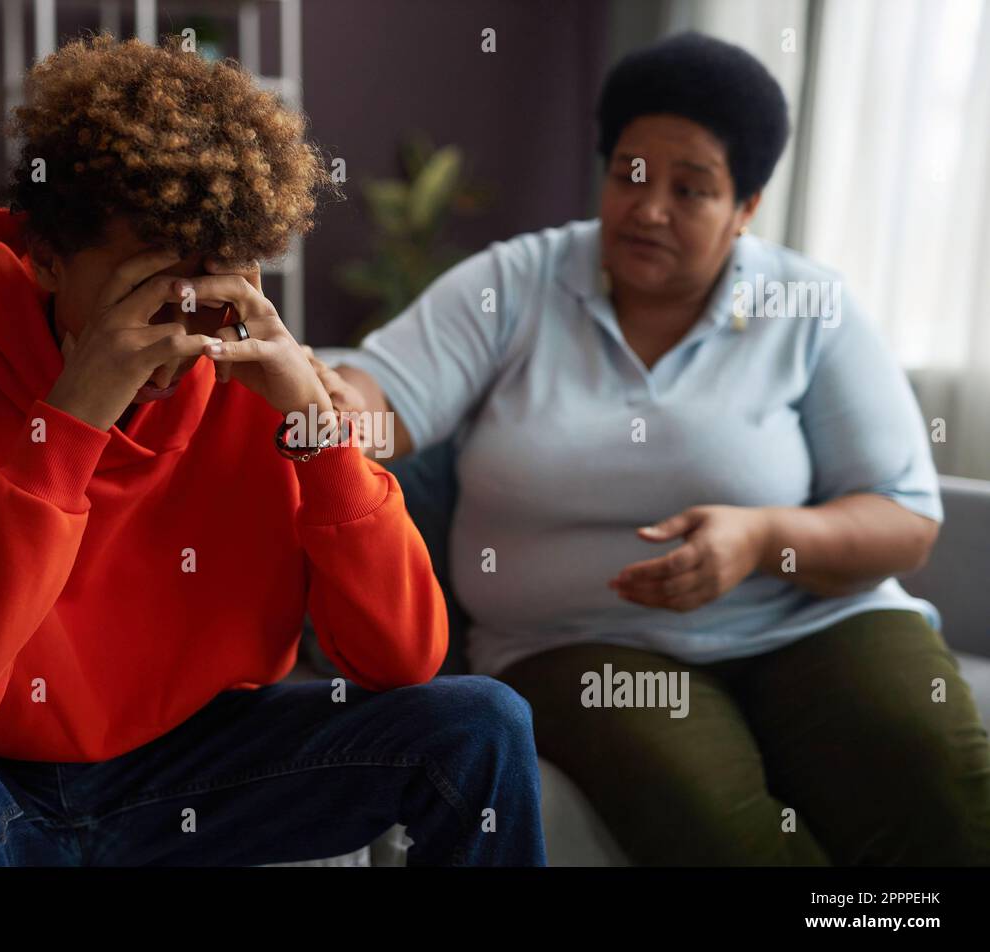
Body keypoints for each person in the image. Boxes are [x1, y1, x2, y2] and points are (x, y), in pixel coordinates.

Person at [0, 34, 547, 867]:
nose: (181, 343)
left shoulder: (254, 379)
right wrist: (68, 427)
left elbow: (401, 660)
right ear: (45, 256)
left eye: (216, 295)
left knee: (480, 724)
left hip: (186, 771)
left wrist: (321, 441)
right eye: (147, 294)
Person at [324, 31, 990, 865]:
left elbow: (904, 519)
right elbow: (383, 399)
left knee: (934, 781)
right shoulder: (516, 284)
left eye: (693, 188)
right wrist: (334, 404)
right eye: (629, 174)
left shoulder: (810, 306)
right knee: (715, 826)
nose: (648, 208)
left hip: (815, 616)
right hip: (576, 639)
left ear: (747, 209)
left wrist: (760, 541)